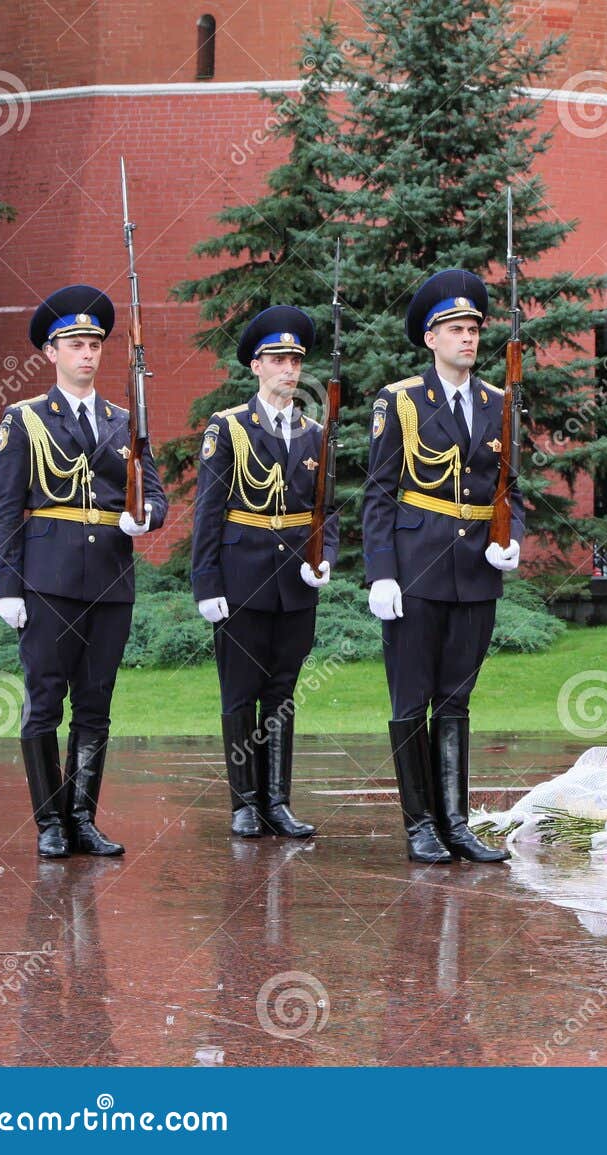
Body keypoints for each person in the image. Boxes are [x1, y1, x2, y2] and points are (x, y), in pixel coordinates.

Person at [0, 285, 168, 858]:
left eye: (94, 343)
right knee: (44, 701)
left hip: (111, 581)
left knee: (96, 703)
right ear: (51, 352)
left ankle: (82, 817)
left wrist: (145, 519)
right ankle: (49, 822)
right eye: (75, 344)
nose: (88, 353)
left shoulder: (123, 418)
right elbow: (4, 507)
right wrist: (6, 587)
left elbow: (155, 494)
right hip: (48, 581)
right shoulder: (24, 420)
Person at [362, 269, 522, 863]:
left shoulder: (500, 403)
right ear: (430, 338)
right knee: (411, 699)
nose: (468, 338)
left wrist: (513, 540)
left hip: (475, 573)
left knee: (456, 700)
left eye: (475, 328)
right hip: (417, 566)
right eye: (455, 328)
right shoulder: (400, 401)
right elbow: (379, 492)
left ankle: (456, 821)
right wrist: (381, 571)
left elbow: (513, 488)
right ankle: (420, 825)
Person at [191, 306, 338, 839]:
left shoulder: (315, 432)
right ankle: (245, 804)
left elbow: (326, 510)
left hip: (294, 585)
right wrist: (206, 584)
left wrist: (325, 559)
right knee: (240, 694)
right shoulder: (229, 428)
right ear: (256, 366)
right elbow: (208, 510)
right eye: (278, 359)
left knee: (282, 693)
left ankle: (277, 801)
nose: (289, 369)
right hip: (241, 580)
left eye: (296, 359)